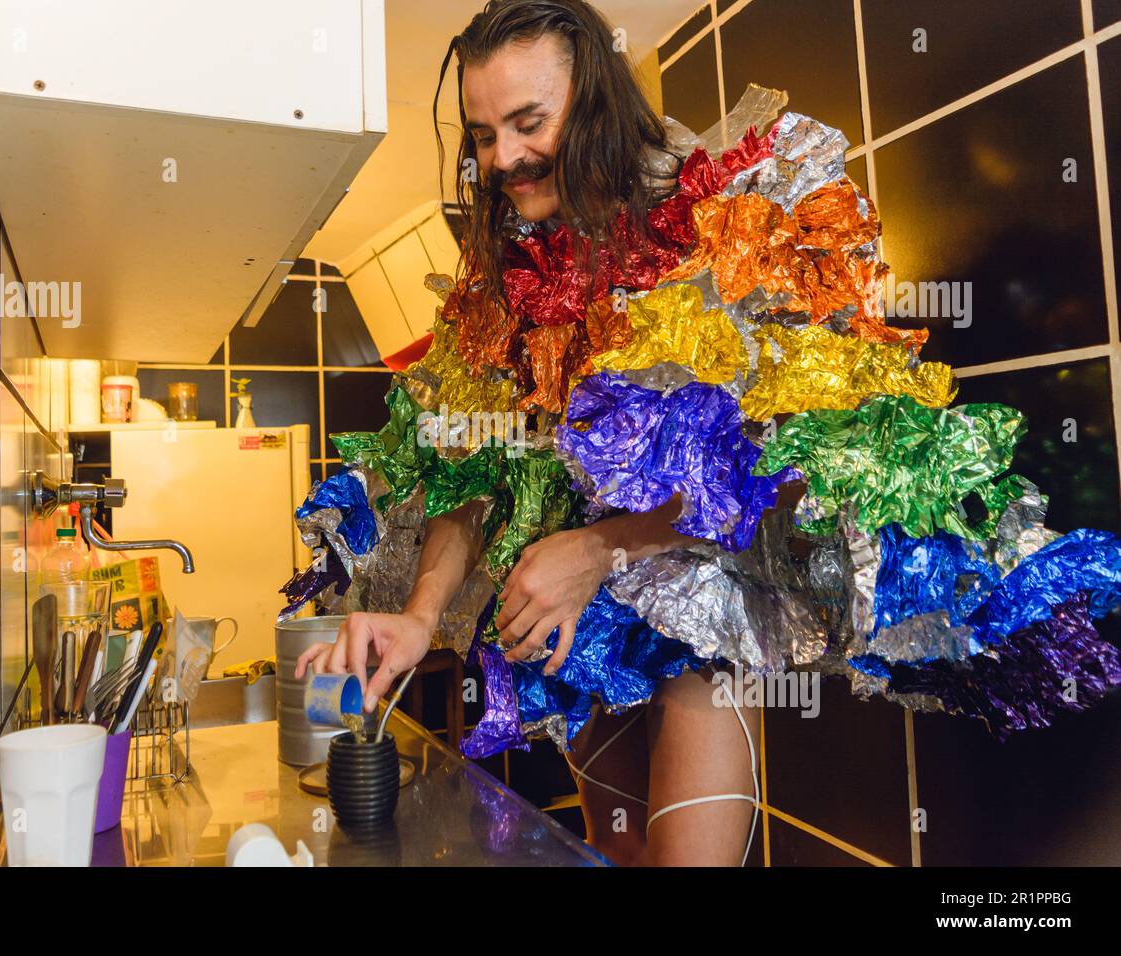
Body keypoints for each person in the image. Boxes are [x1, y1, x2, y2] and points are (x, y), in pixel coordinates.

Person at [290, 0, 1121, 867]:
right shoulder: (506, 282)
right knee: (611, 851)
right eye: (483, 134)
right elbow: (467, 470)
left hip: (704, 608)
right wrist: (420, 616)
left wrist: (601, 548)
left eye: (528, 123)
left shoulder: (726, 225)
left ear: (596, 101)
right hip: (586, 636)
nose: (502, 157)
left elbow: (796, 473)